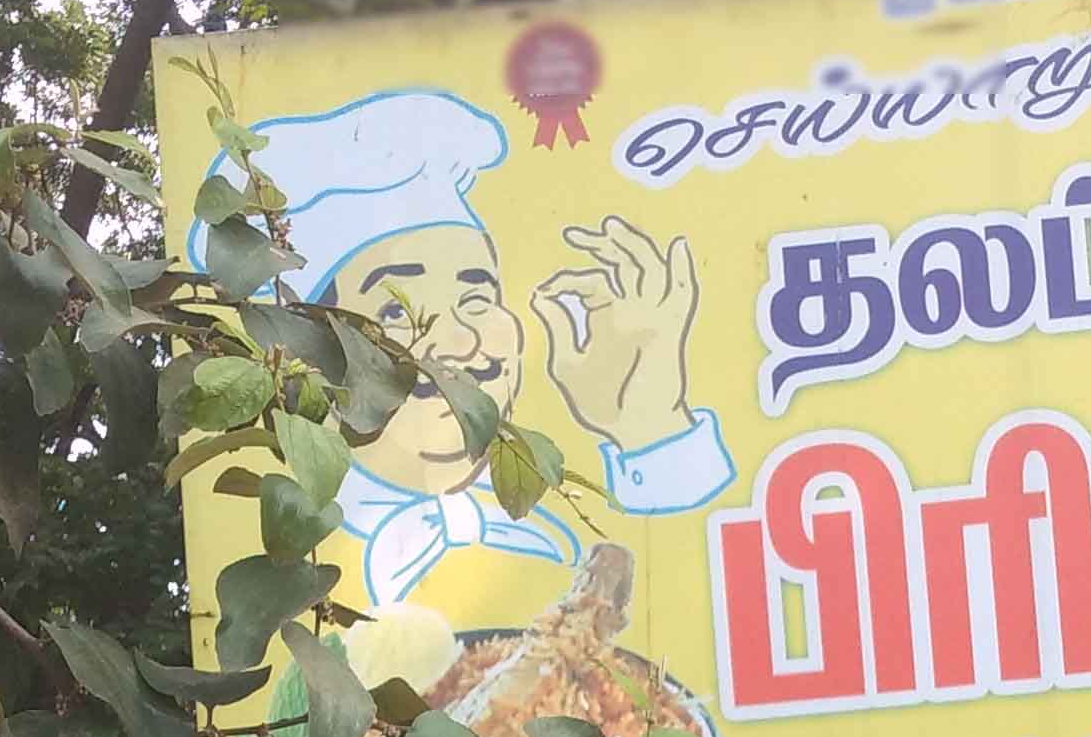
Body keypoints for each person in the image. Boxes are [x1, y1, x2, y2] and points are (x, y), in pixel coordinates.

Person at [191, 86, 734, 613]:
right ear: (312, 354)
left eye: (477, 299)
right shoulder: (298, 552)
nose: (463, 342)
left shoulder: (548, 532)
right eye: (396, 312)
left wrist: (648, 430)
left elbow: (689, 619)